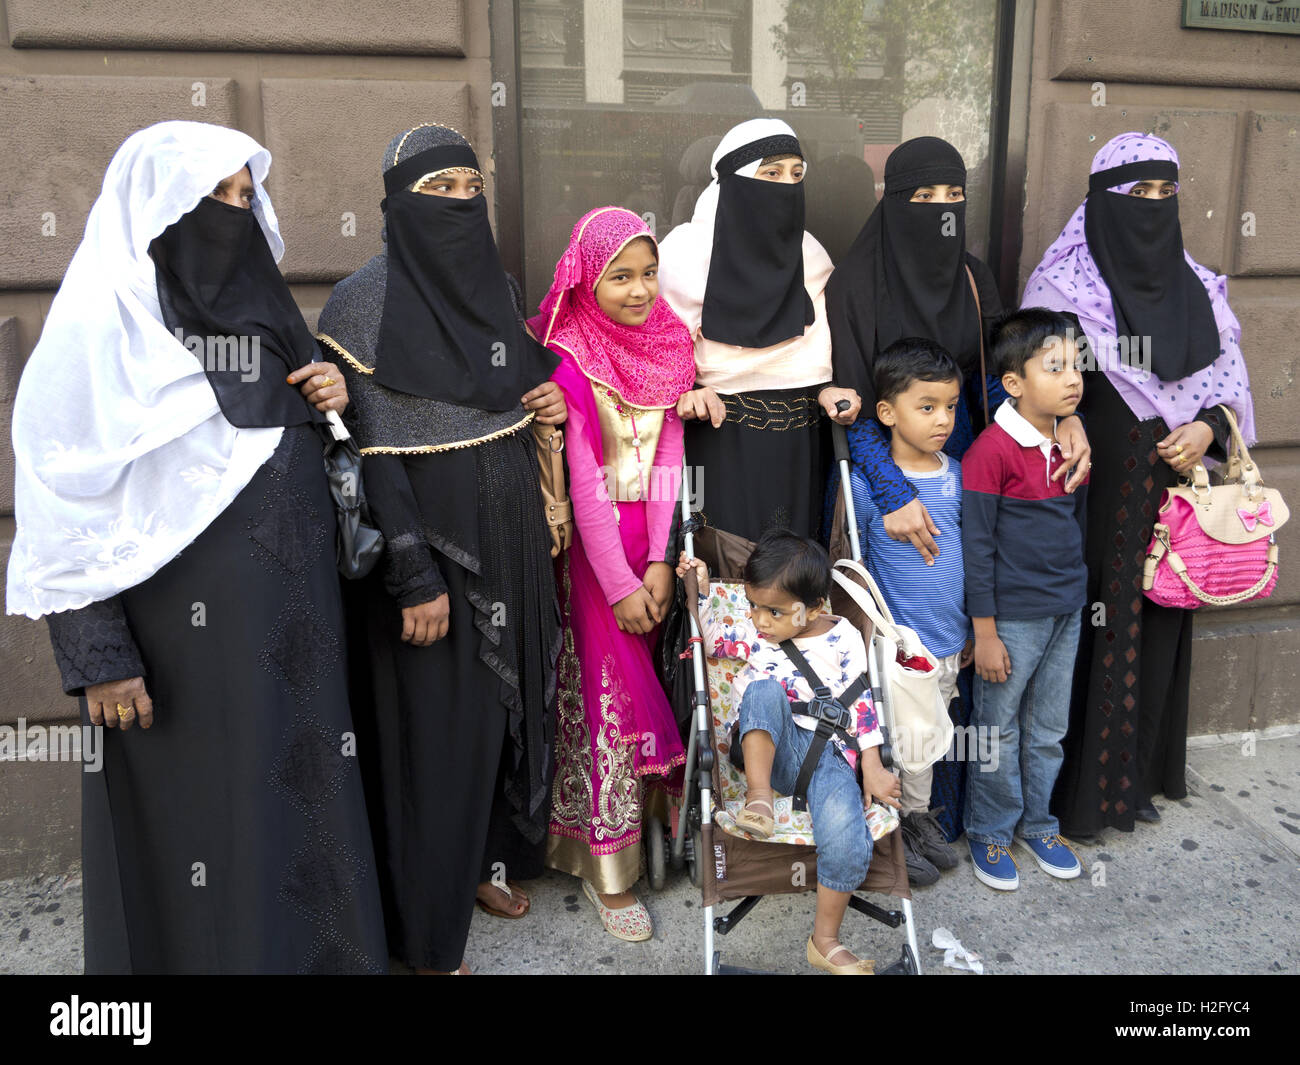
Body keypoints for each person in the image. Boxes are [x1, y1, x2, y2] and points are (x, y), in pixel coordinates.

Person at [6, 120, 387, 973]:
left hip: (295, 641)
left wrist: (331, 404)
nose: (232, 214)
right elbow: (62, 510)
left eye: (244, 197)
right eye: (209, 198)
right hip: (172, 660)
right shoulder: (99, 343)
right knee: (197, 836)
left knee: (297, 814)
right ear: (152, 213)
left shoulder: (274, 325)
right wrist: (96, 653)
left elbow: (303, 464)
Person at [315, 123, 565, 974]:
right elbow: (369, 453)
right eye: (439, 191)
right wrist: (413, 571)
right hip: (431, 556)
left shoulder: (492, 285)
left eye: (470, 188)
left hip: (513, 536)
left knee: (501, 715)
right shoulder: (360, 304)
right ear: (396, 205)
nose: (461, 204)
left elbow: (516, 390)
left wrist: (546, 405)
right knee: (434, 734)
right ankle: (426, 927)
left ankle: (480, 865)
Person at [824, 135, 1092, 846]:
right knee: (893, 650)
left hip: (966, 477)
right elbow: (849, 406)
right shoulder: (852, 284)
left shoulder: (973, 277)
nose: (943, 213)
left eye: (955, 197)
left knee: (960, 646)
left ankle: (949, 812)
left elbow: (1008, 372)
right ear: (893, 201)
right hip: (884, 484)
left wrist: (1064, 417)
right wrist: (890, 491)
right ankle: (889, 815)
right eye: (925, 198)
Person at [1022, 132, 1256, 839]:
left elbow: (1230, 388)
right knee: (1095, 627)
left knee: (1157, 621)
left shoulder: (1199, 289)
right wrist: (1063, 418)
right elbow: (1028, 381)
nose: (1152, 208)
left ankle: (1139, 779)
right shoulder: (1061, 288)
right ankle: (1080, 795)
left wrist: (1208, 429)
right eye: (1136, 194)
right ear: (1101, 202)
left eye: (1165, 193)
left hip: (1175, 503)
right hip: (1091, 506)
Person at [526, 206, 694, 941]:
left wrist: (657, 561)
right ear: (587, 277)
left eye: (648, 273)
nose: (638, 290)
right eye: (619, 275)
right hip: (594, 562)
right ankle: (608, 871)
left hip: (646, 548)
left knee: (646, 684)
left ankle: (650, 831)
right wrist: (621, 582)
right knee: (608, 699)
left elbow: (667, 460)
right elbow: (585, 480)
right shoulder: (567, 353)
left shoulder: (667, 343)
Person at [678, 530, 901, 974]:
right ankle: (758, 798)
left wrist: (872, 765)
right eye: (754, 605)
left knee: (845, 838)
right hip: (769, 752)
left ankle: (825, 940)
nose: (760, 619)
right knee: (763, 689)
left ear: (815, 607)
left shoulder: (846, 639)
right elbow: (711, 633)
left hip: (830, 760)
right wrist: (701, 588)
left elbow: (862, 704)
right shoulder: (755, 631)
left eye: (774, 611)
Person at [657, 118, 859, 542]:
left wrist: (828, 388)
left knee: (793, 575)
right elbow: (658, 356)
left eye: (796, 174)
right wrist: (683, 391)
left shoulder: (809, 253)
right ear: (735, 180)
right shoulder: (684, 255)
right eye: (771, 173)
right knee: (723, 573)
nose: (786, 185)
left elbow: (823, 351)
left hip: (802, 442)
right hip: (714, 439)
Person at [961, 309, 1089, 890]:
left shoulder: (1070, 441)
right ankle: (990, 830)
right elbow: (978, 546)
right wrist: (984, 631)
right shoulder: (991, 452)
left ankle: (1039, 823)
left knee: (1047, 728)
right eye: (1055, 367)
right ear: (1013, 382)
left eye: (1076, 366)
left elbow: (1072, 523)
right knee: (998, 729)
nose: (1072, 378)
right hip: (1012, 617)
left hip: (1067, 606)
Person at [849, 339, 971, 883]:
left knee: (931, 738)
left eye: (949, 406)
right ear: (887, 413)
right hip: (898, 646)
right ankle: (891, 830)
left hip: (949, 636)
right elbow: (855, 567)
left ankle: (917, 819)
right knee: (901, 740)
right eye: (927, 407)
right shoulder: (869, 486)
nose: (942, 419)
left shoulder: (959, 475)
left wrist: (971, 626)